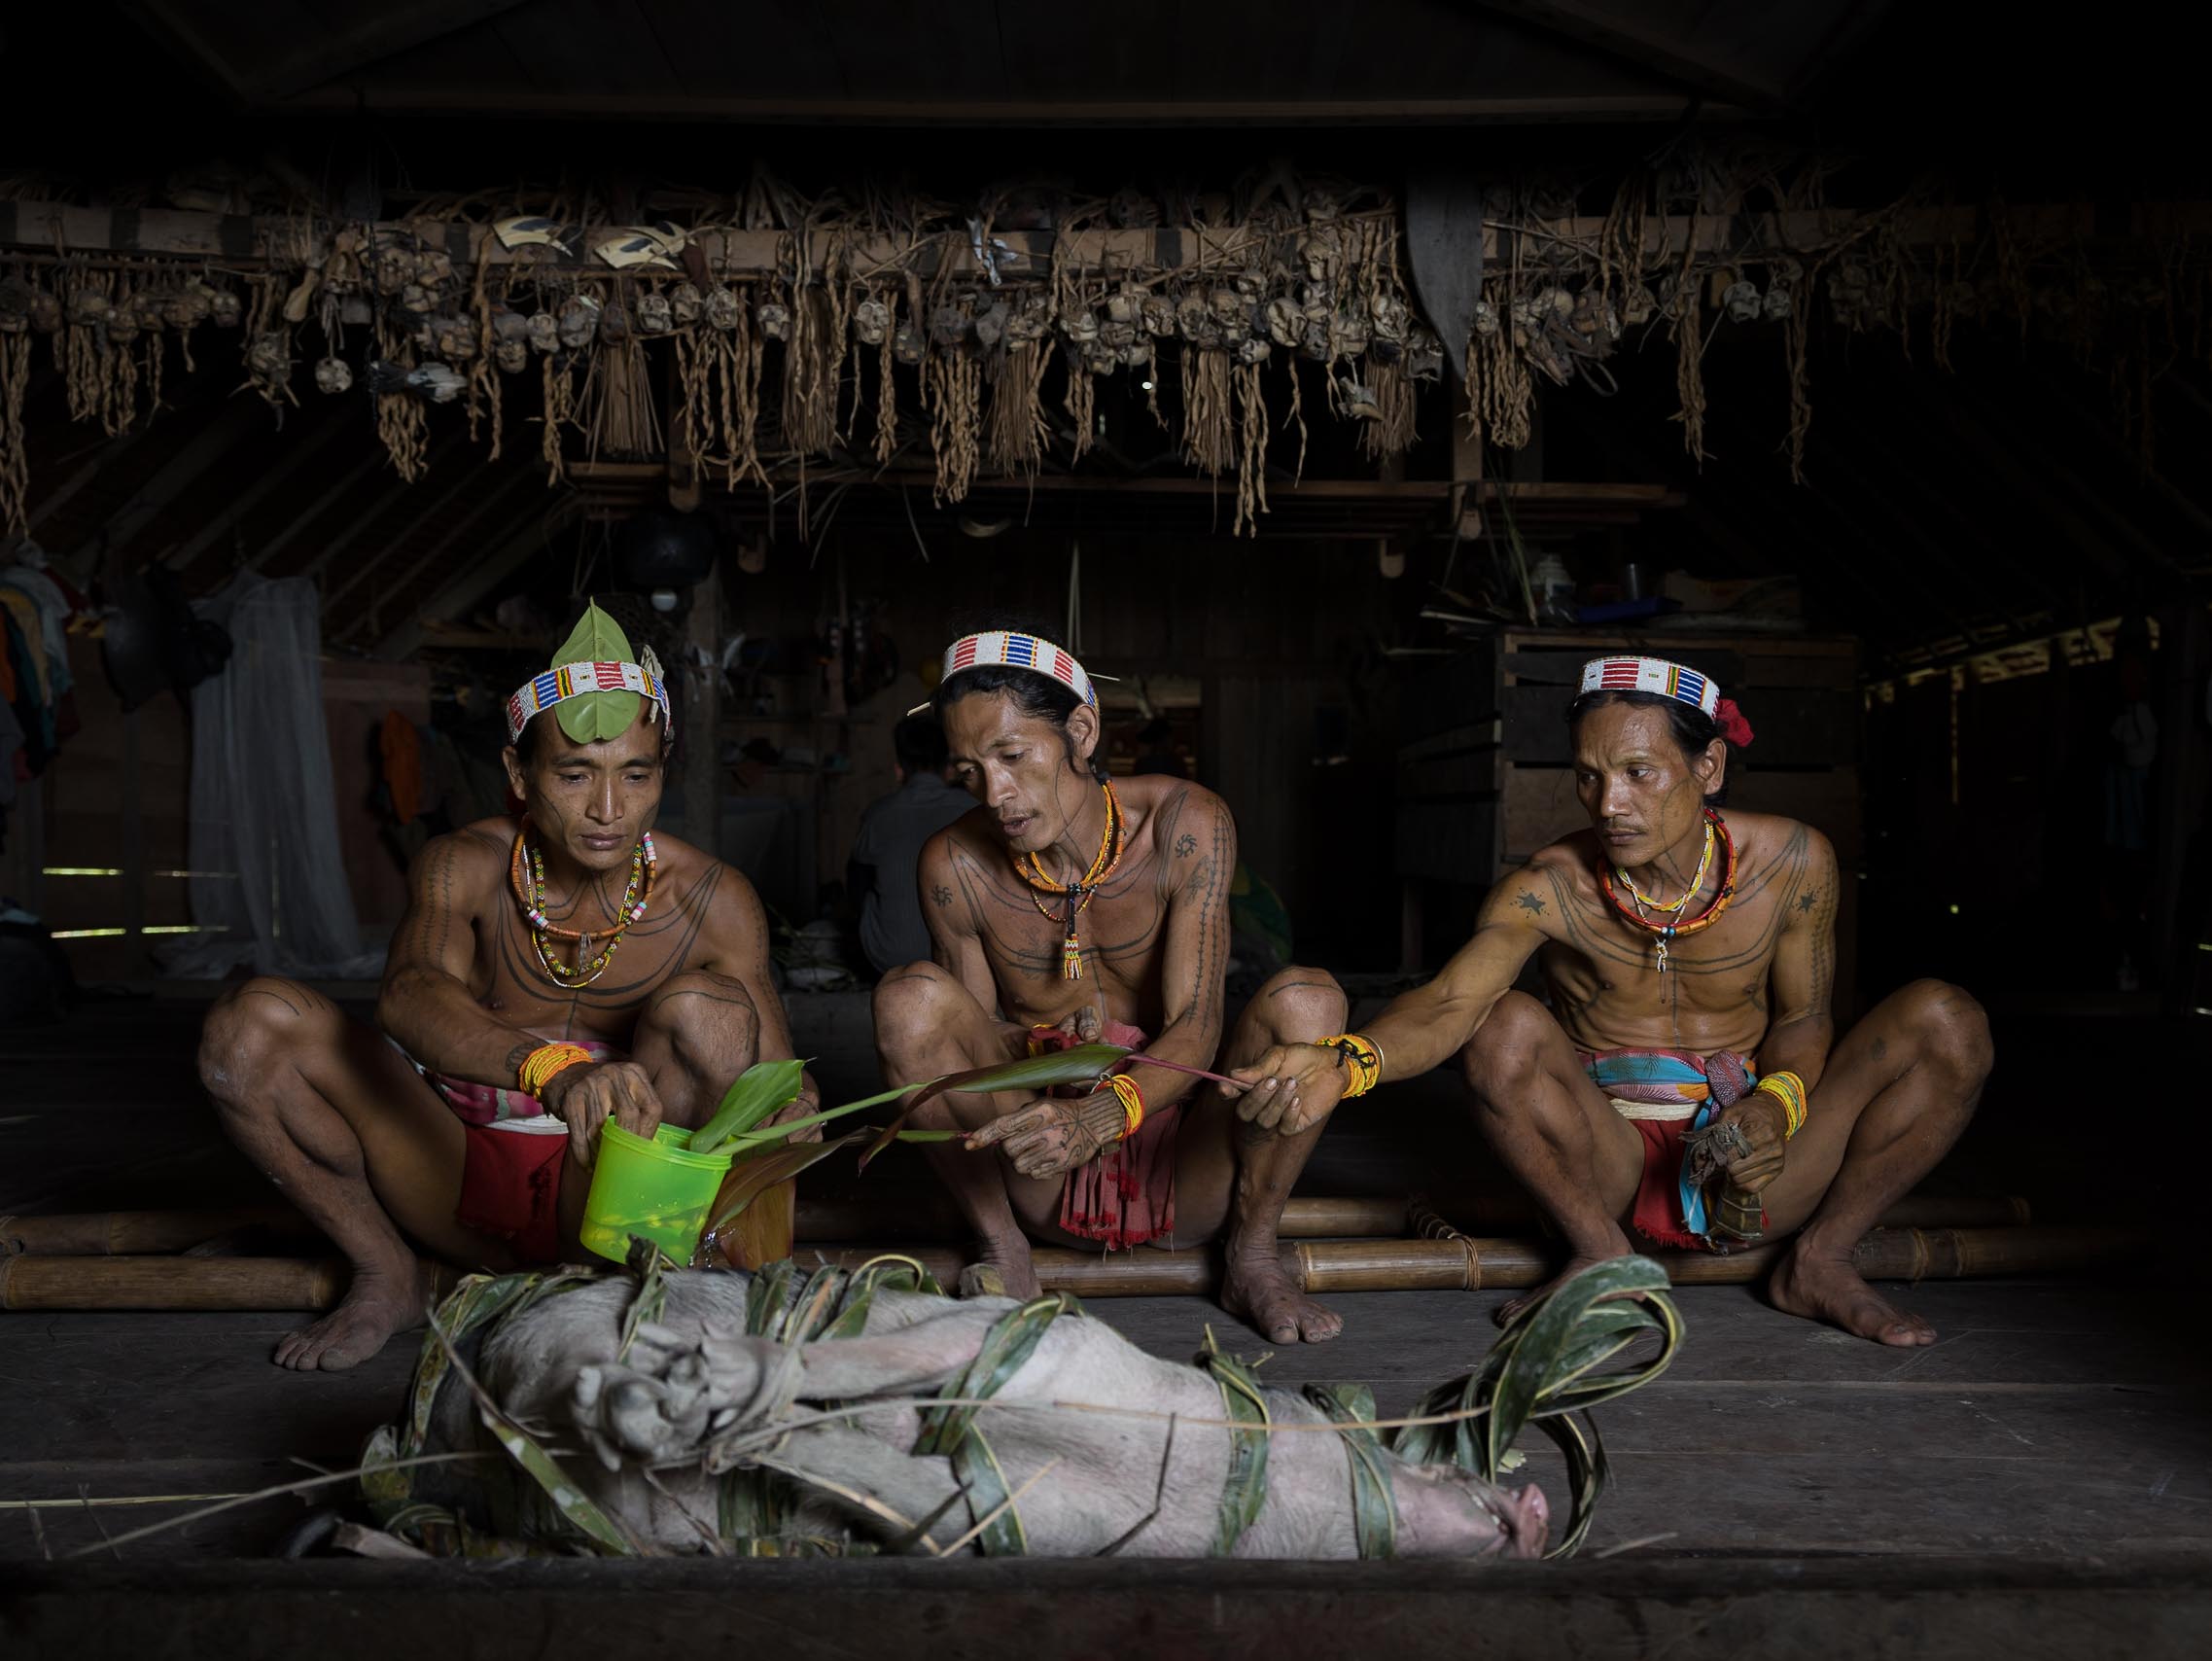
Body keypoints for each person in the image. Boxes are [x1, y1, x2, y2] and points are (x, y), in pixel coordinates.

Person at [1230, 654, 1994, 1348]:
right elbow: (1448, 1004)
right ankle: (1600, 1254)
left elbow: (1803, 1018)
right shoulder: (1547, 886)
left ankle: (1819, 1261)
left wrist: (1775, 1105)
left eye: (1638, 772)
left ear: (1709, 766)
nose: (1608, 802)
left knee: (1945, 1019)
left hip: (1761, 1165)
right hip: (1607, 1166)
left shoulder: (1792, 861)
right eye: (1588, 775)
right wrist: (1345, 1059)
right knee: (1503, 1023)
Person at [196, 604, 816, 1370]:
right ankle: (387, 1271)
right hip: (445, 1170)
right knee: (250, 1026)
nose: (608, 810)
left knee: (709, 1011)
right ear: (520, 775)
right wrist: (550, 1066)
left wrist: (792, 1120)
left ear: (662, 774)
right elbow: (411, 991)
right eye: (574, 774)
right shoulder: (467, 863)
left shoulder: (713, 897)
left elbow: (778, 1083)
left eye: (635, 774)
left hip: (615, 1196)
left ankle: (653, 1279)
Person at [873, 627, 1352, 1344]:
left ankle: (1252, 1253)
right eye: (969, 769)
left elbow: (1195, 1019)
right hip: (1040, 1169)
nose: (995, 793)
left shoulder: (1185, 824)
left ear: (1081, 731)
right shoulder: (955, 863)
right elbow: (969, 1043)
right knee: (907, 996)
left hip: (1186, 1165)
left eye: (1012, 755)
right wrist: (1044, 1055)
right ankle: (1004, 1247)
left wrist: (1102, 1114)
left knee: (1309, 1000)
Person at [848, 713, 972, 976]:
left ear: (899, 770)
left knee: (865, 879)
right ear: (950, 768)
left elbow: (856, 888)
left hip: (892, 957)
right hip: (962, 958)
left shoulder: (878, 815)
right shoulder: (974, 810)